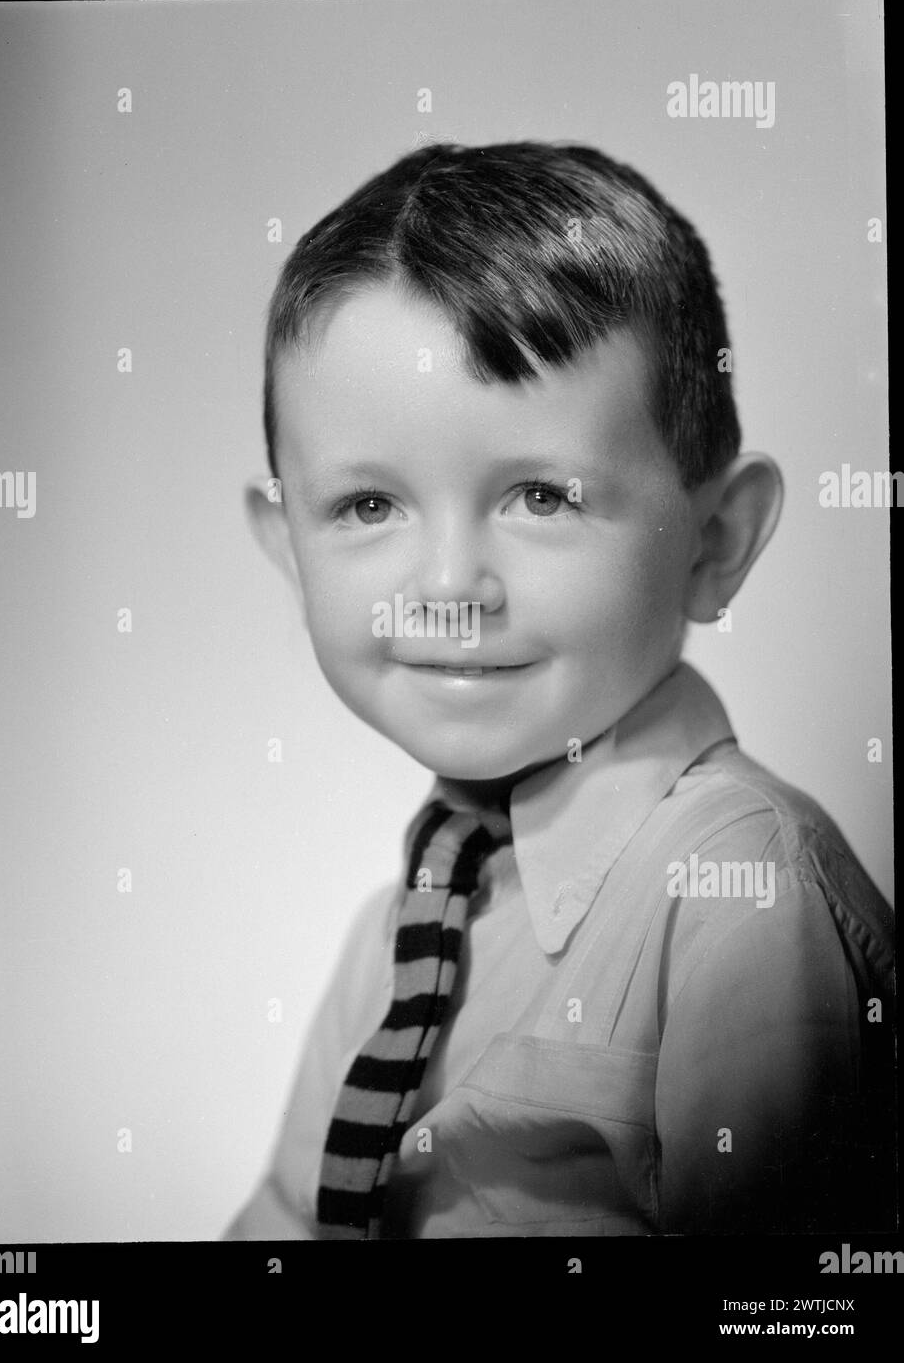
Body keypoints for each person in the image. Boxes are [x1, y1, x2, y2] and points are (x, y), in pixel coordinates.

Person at [225, 141, 895, 1239]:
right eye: (365, 507)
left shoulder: (736, 897)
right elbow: (283, 1226)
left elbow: (782, 1306)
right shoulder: (400, 930)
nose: (447, 587)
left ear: (712, 542)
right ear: (289, 547)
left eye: (540, 494)